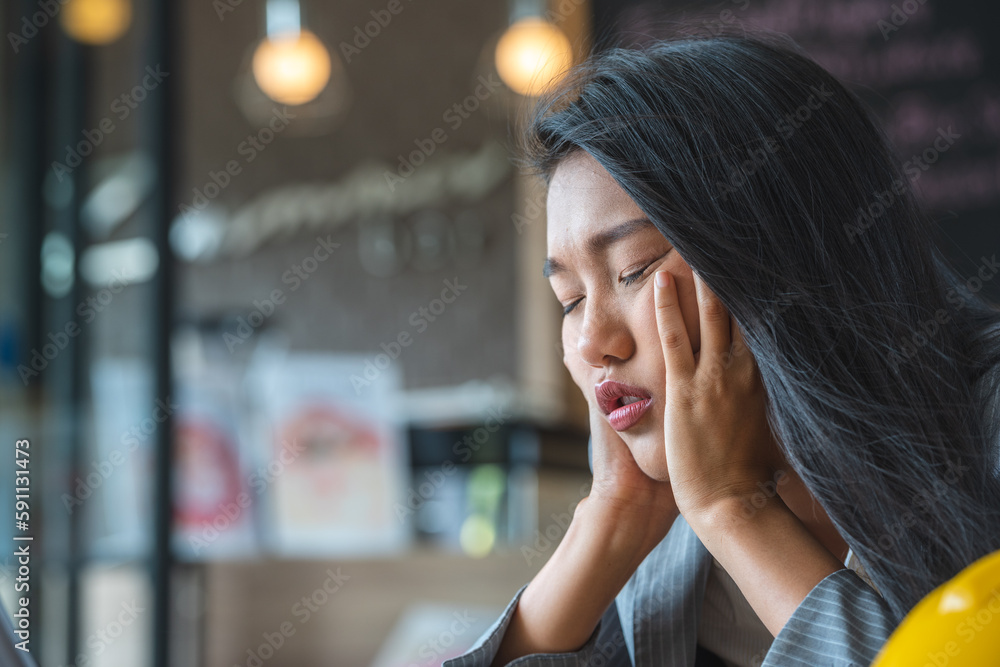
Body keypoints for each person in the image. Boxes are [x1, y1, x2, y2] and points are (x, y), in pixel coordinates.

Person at [443, 29, 1000, 667]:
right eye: (570, 300)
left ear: (787, 251)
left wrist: (732, 508)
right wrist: (613, 518)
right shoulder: (661, 525)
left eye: (633, 270)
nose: (593, 342)